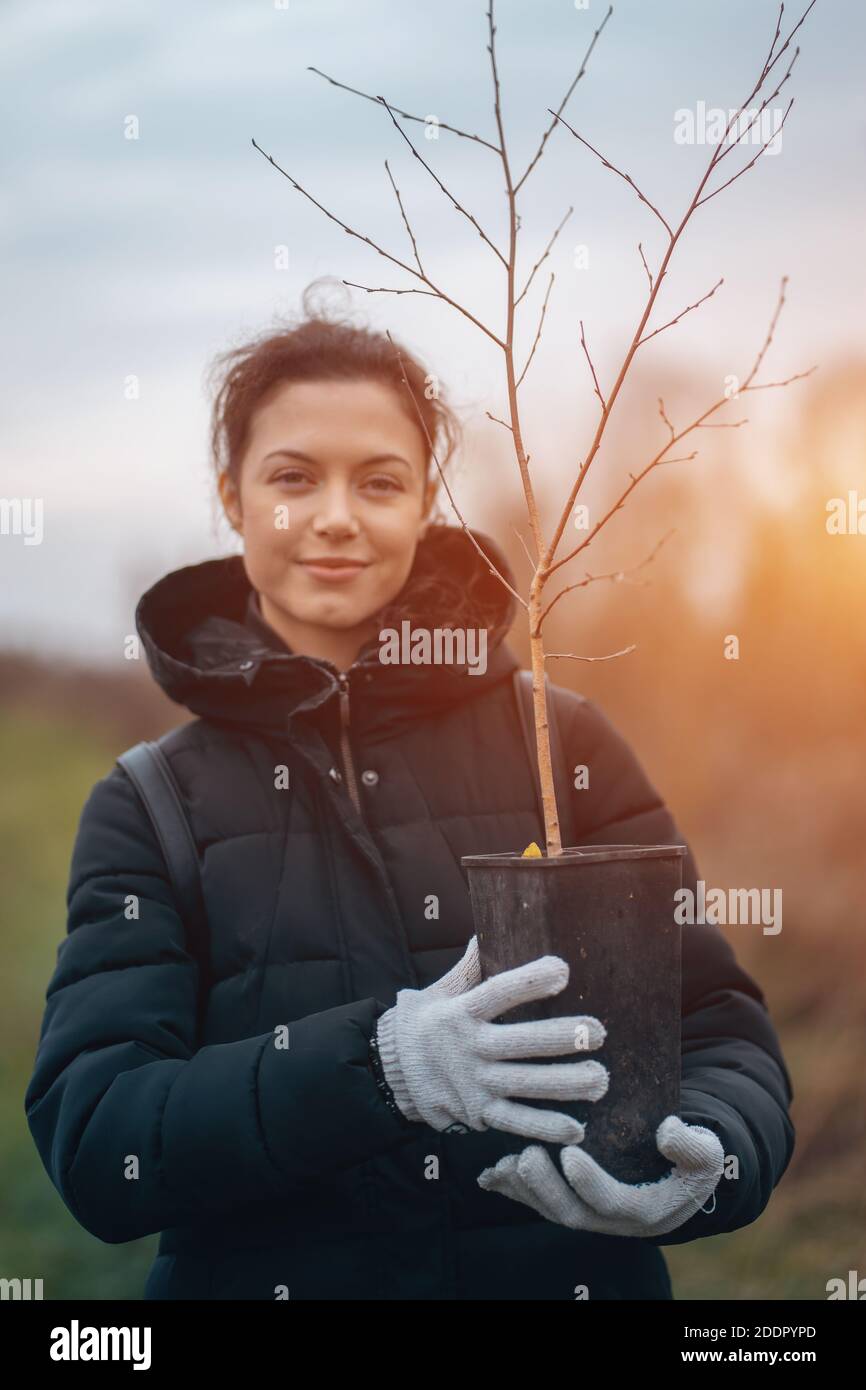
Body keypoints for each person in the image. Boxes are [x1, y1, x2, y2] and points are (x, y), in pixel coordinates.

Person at [24, 290, 795, 1300]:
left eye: (379, 481)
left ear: (426, 499)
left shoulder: (560, 742)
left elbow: (715, 1026)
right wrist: (381, 1066)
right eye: (293, 477)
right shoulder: (153, 802)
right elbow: (101, 1140)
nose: (336, 518)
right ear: (232, 494)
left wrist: (704, 1162)